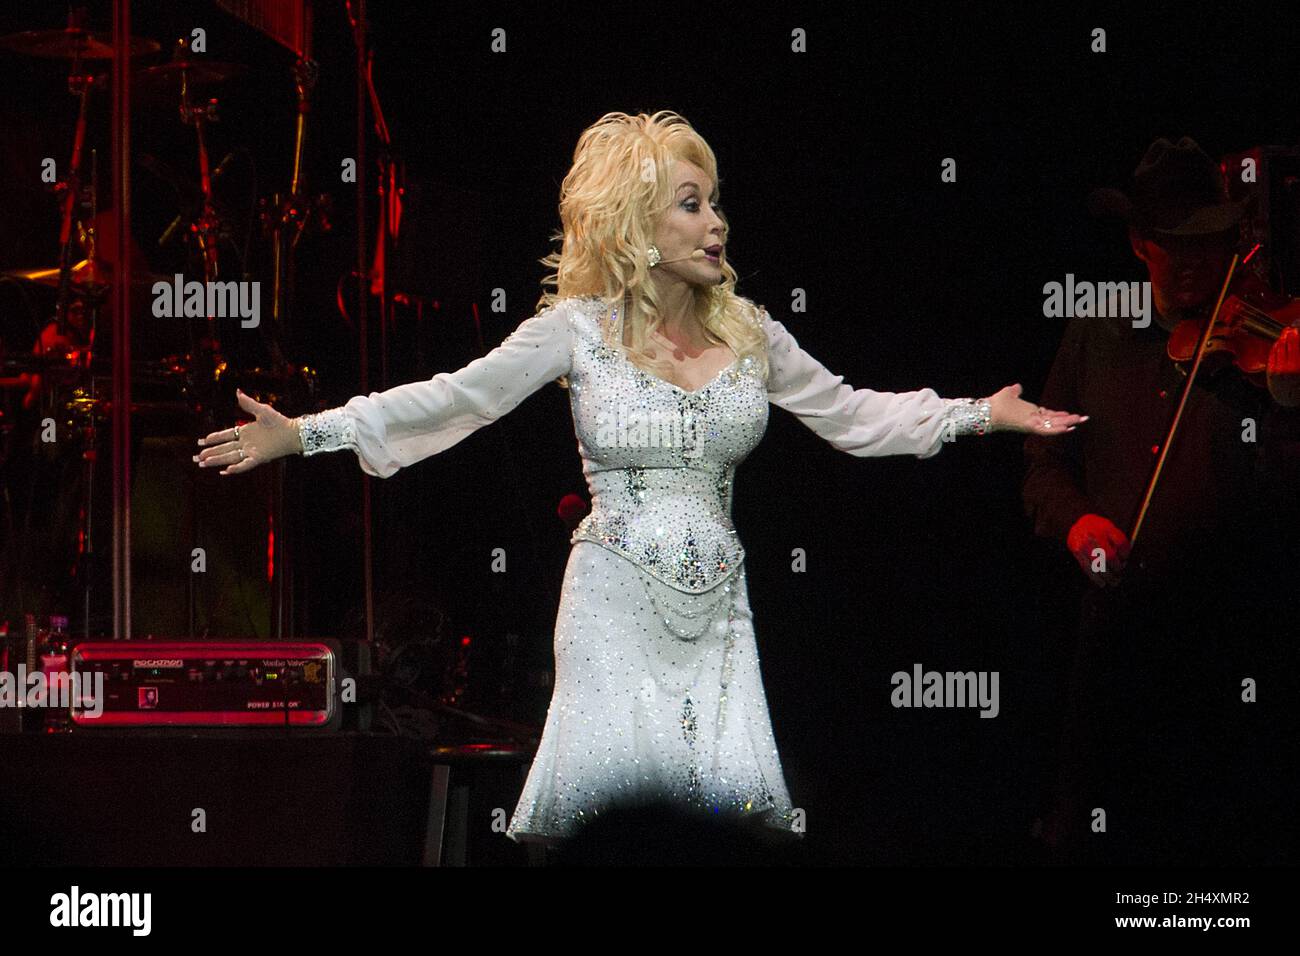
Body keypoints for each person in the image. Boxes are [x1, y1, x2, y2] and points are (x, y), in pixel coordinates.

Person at [195, 110, 1083, 846]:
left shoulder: (751, 334)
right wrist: (307, 434)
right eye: (691, 206)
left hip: (720, 609)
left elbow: (852, 416)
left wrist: (978, 413)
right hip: (613, 603)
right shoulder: (575, 331)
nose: (716, 224)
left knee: (726, 821)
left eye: (717, 204)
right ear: (635, 225)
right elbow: (455, 399)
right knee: (606, 820)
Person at [1024, 136, 1300, 864]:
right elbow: (1043, 461)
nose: (1189, 263)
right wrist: (1076, 521)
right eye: (1170, 244)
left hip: (1233, 649)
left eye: (1207, 243)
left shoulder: (1256, 344)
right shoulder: (1095, 335)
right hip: (1117, 644)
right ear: (1139, 244)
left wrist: (1288, 397)